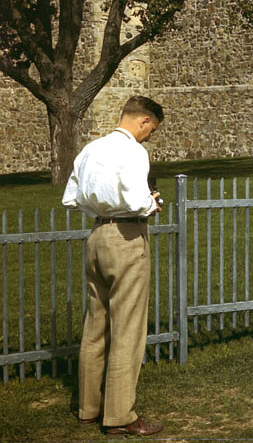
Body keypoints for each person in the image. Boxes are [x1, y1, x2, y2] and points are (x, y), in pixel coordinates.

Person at [62, 95, 166, 437]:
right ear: (145, 121)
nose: (149, 136)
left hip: (96, 236)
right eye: (151, 129)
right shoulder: (134, 152)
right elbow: (137, 199)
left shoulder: (91, 149)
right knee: (127, 329)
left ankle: (88, 409)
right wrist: (151, 203)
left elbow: (72, 197)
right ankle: (120, 415)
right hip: (126, 236)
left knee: (96, 325)